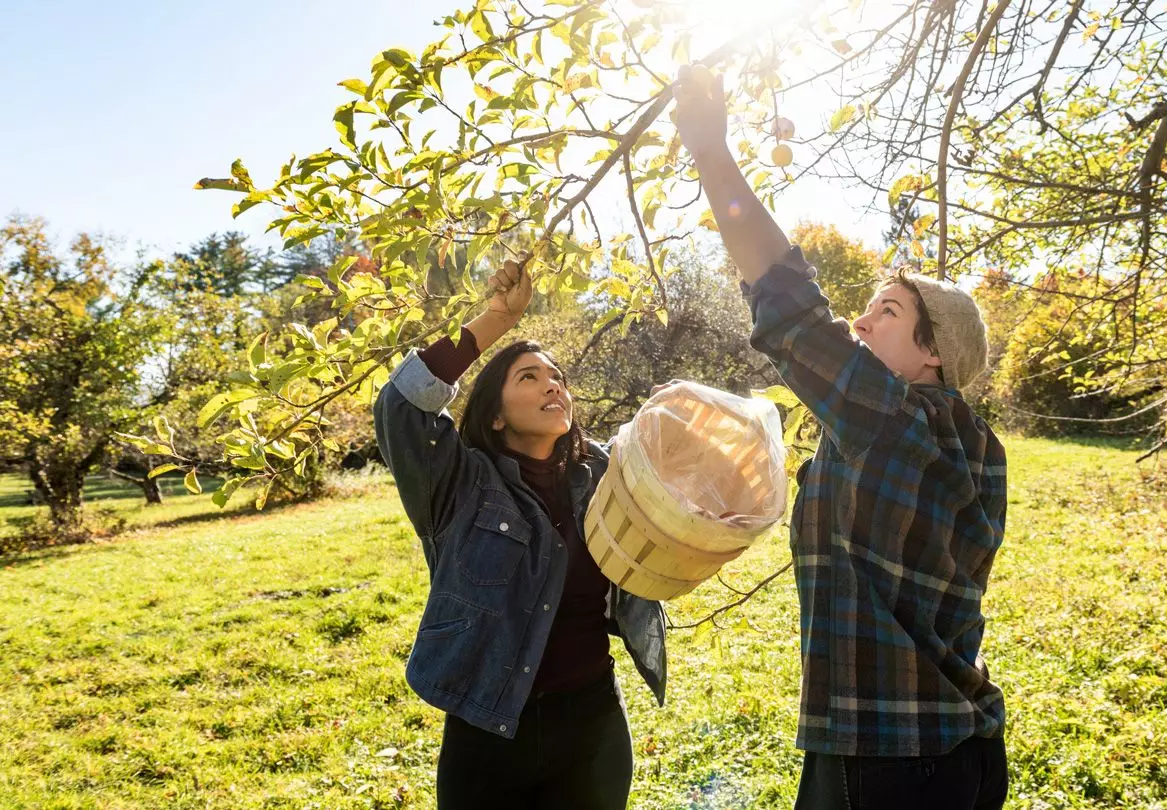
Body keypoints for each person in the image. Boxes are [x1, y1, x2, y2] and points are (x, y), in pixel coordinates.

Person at [672, 65, 1010, 809]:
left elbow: (788, 303)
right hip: (959, 751)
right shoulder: (975, 441)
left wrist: (709, 151)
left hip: (887, 761)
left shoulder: (889, 417)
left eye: (884, 312)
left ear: (933, 354)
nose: (858, 323)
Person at [372, 257, 667, 809]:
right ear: (497, 415)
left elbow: (673, 491)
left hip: (593, 724)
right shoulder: (458, 484)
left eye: (557, 376)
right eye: (528, 377)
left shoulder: (603, 476)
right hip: (489, 734)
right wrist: (496, 322)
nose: (552, 385)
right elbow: (400, 405)